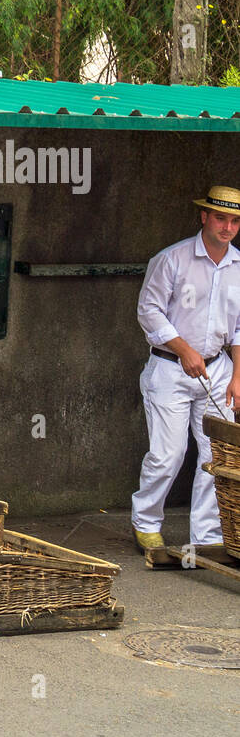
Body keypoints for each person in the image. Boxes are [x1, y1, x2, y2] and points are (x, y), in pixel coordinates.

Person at [131, 186, 240, 551]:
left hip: (218, 369)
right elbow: (148, 311)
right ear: (204, 217)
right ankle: (145, 523)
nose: (227, 227)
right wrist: (183, 349)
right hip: (169, 370)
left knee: (215, 457)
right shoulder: (172, 259)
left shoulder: (239, 265)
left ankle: (207, 537)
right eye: (221, 218)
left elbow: (239, 327)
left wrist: (238, 376)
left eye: (235, 220)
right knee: (168, 455)